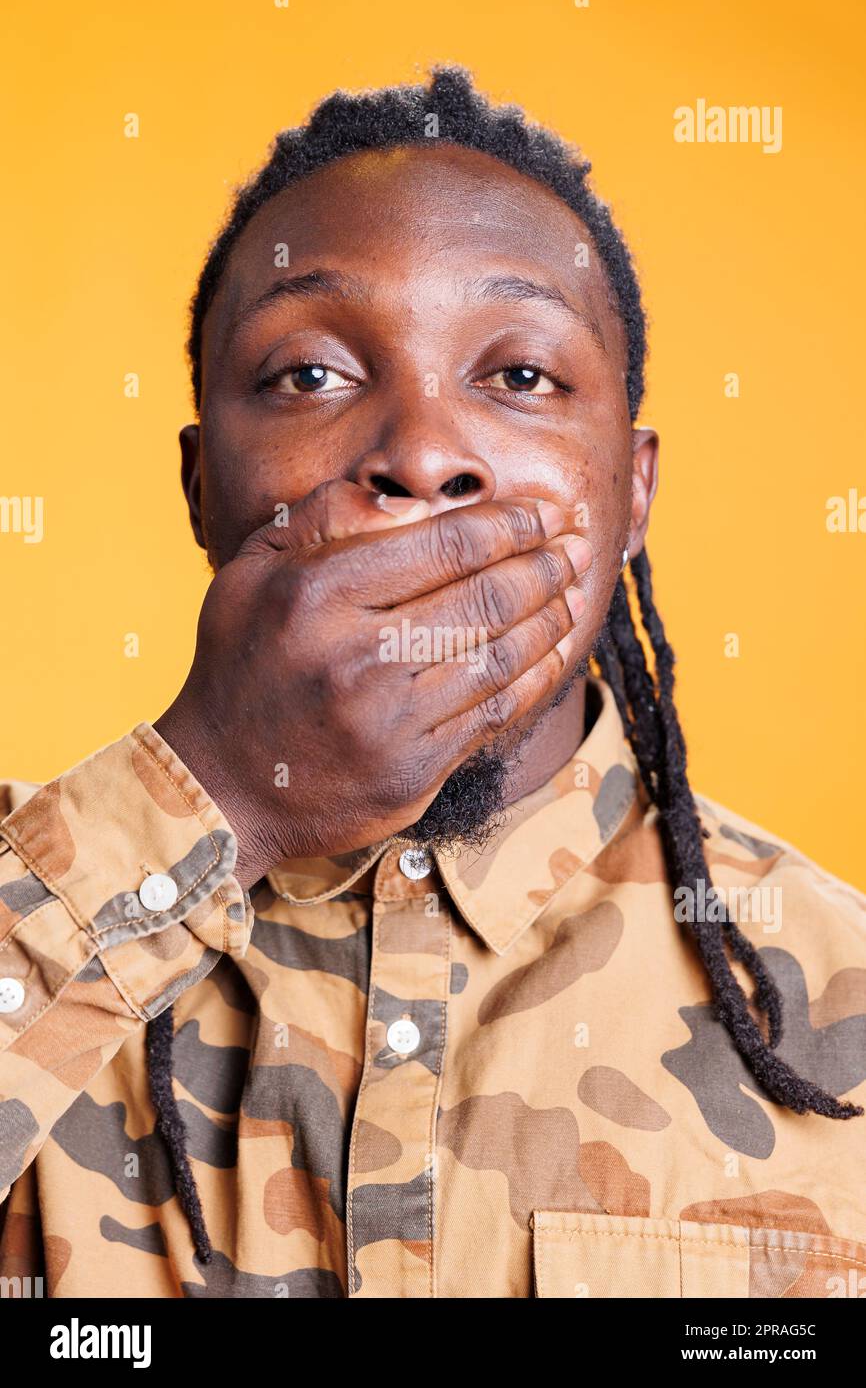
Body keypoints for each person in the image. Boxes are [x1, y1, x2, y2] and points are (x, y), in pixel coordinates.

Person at [1, 66, 864, 1300]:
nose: (418, 455)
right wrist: (225, 793)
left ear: (630, 490)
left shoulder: (843, 1010)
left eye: (517, 376)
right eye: (308, 374)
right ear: (199, 487)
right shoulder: (33, 901)